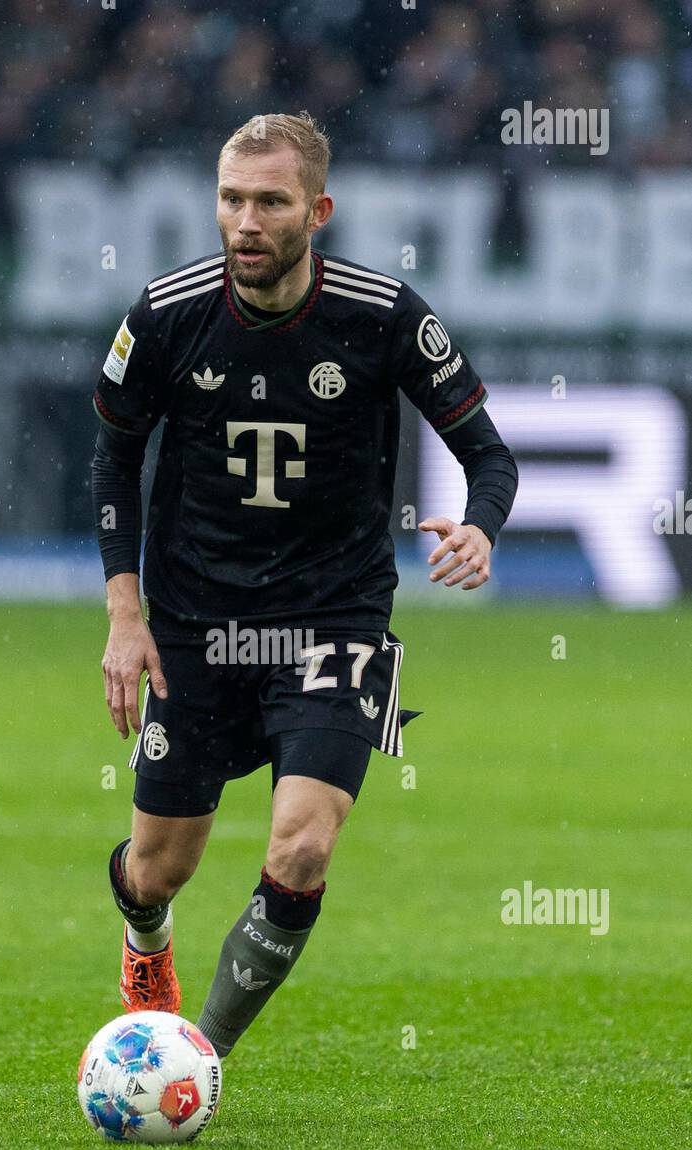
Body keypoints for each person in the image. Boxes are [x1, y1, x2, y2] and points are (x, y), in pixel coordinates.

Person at [90, 111, 518, 1059]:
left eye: (270, 202)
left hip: (334, 623)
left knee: (302, 847)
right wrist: (127, 616)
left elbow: (488, 457)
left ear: (316, 210)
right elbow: (115, 460)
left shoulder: (382, 316)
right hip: (196, 625)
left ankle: (192, 1058)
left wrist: (481, 529)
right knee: (157, 871)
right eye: (231, 200)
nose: (246, 221)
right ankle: (144, 942)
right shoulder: (165, 316)